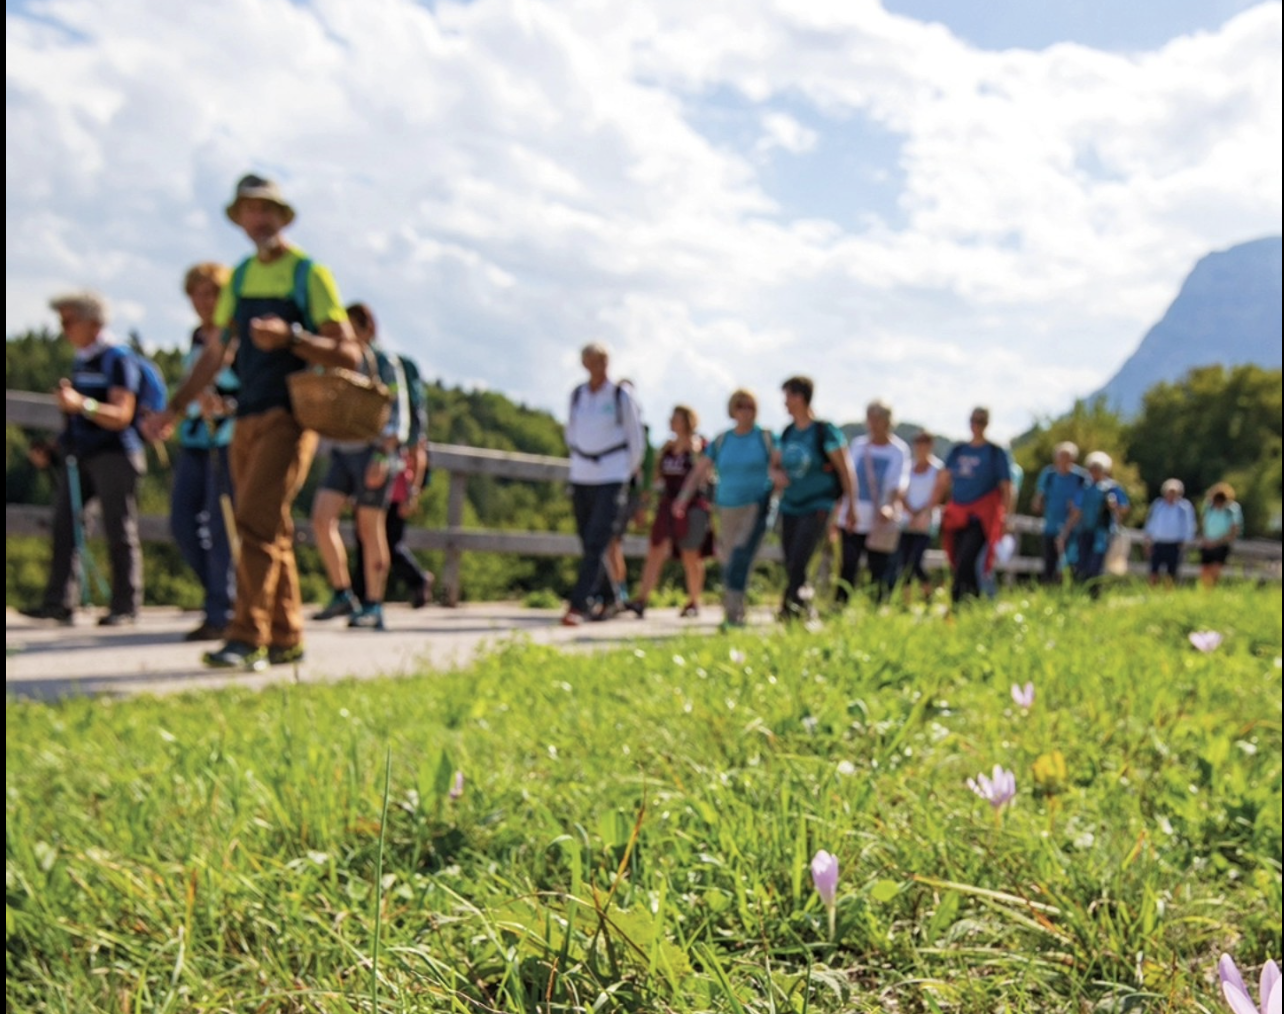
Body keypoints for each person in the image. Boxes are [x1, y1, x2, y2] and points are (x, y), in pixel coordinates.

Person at [144, 173, 360, 670]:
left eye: (266, 209)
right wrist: (174, 408)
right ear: (240, 218)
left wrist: (292, 337)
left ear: (281, 217)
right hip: (247, 416)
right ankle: (286, 637)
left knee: (253, 521)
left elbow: (347, 352)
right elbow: (215, 352)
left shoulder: (309, 274)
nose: (258, 218)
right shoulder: (239, 278)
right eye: (249, 210)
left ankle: (246, 635)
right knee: (271, 526)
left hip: (291, 414)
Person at [20, 291, 145, 626]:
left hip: (116, 454)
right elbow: (77, 416)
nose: (63, 329)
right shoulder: (84, 360)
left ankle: (125, 605)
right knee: (64, 525)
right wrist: (52, 447)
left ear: (93, 322)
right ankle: (59, 602)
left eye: (68, 321)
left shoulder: (116, 358)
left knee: (119, 529)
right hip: (82, 453)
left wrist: (82, 405)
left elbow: (121, 414)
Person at [310, 303, 408, 631]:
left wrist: (385, 453)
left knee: (370, 528)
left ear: (367, 329)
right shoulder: (339, 361)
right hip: (341, 450)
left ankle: (374, 604)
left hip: (374, 451)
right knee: (322, 519)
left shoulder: (385, 363)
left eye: (351, 330)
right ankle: (342, 593)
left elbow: (398, 411)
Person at [170, 263, 239, 641]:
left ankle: (222, 611)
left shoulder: (236, 337)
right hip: (195, 439)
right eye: (196, 294)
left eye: (211, 293)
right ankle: (221, 592)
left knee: (219, 523)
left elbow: (247, 389)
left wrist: (225, 404)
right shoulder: (197, 338)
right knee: (182, 523)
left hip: (228, 439)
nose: (203, 301)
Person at [673, 389, 774, 629]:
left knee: (741, 555)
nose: (745, 411)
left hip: (755, 505)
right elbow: (700, 471)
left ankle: (734, 614)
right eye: (740, 406)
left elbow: (779, 465)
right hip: (726, 508)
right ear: (732, 409)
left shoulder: (766, 438)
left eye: (750, 406)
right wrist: (683, 498)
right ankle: (732, 610)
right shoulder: (722, 440)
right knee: (728, 559)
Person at [562, 343, 645, 626]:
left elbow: (636, 440)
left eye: (600, 362)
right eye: (590, 362)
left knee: (598, 539)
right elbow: (570, 433)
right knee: (587, 539)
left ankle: (579, 603)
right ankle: (610, 597)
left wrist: (625, 470)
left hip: (612, 474)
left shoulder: (622, 395)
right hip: (582, 474)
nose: (595, 367)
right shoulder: (578, 395)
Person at [353, 351, 434, 608]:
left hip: (398, 483)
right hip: (384, 478)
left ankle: (417, 580)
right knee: (366, 538)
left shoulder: (408, 421)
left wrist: (413, 491)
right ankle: (363, 595)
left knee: (390, 542)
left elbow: (418, 452)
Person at [772, 376, 856, 621]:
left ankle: (790, 610)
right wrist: (777, 476)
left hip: (818, 503)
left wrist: (851, 505)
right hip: (790, 505)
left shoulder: (824, 431)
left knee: (800, 557)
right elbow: (774, 465)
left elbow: (845, 469)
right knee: (791, 561)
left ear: (800, 397)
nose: (784, 403)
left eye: (787, 397)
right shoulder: (788, 432)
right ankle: (803, 607)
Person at [627, 405, 713, 618]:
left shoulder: (699, 447)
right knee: (655, 549)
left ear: (687, 421)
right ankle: (642, 599)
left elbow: (706, 477)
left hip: (693, 505)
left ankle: (694, 600)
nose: (671, 422)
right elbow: (655, 477)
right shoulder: (667, 448)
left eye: (676, 418)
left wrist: (694, 456)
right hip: (667, 503)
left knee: (690, 553)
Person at [932, 407, 1011, 604]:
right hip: (957, 515)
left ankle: (960, 604)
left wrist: (1006, 518)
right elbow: (943, 480)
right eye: (974, 420)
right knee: (957, 560)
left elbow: (1007, 487)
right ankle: (969, 605)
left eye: (981, 421)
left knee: (969, 561)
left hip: (982, 517)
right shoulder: (958, 450)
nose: (977, 424)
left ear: (987, 423)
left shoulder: (995, 452)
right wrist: (930, 506)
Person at [835, 400, 909, 605]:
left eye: (878, 419)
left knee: (879, 568)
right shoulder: (859, 445)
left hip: (879, 520)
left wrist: (889, 505)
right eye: (871, 418)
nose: (873, 424)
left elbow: (899, 482)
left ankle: (877, 608)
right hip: (853, 515)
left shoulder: (898, 450)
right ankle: (840, 606)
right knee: (848, 564)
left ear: (888, 422)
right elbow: (847, 477)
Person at [1062, 450, 1131, 591]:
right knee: (1080, 564)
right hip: (1084, 530)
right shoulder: (1085, 488)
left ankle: (1094, 594)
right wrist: (1066, 530)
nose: (1093, 472)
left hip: (1102, 533)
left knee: (1095, 565)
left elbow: (1124, 508)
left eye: (1097, 469)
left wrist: (1114, 506)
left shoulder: (1112, 488)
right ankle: (1079, 592)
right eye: (1091, 469)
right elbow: (1077, 511)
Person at [895, 430, 943, 604]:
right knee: (904, 564)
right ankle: (906, 602)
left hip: (926, 522)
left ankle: (928, 596)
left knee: (916, 561)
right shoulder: (908, 467)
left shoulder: (938, 469)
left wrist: (921, 514)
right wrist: (910, 512)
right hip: (906, 520)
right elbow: (900, 491)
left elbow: (937, 494)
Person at [1031, 442, 1088, 584]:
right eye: (1060, 456)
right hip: (1050, 526)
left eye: (1067, 457)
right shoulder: (1049, 474)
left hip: (1074, 529)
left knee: (1068, 564)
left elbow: (1080, 506)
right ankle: (1048, 594)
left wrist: (1067, 528)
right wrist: (1039, 502)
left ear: (1073, 459)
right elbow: (1038, 500)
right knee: (1049, 562)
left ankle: (1067, 594)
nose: (1063, 460)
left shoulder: (1081, 478)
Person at [1143, 478, 1196, 587]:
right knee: (1154, 570)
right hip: (1158, 542)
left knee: (1172, 572)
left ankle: (1168, 595)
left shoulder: (1184, 507)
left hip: (1175, 544)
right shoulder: (1158, 505)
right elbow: (1151, 523)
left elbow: (1189, 525)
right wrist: (1148, 540)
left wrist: (1186, 541)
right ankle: (1152, 592)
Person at [1198, 482, 1243, 588]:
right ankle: (1205, 593)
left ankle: (1212, 593)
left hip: (1221, 544)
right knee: (1205, 570)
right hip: (1207, 543)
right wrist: (1205, 540)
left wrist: (1216, 543)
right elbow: (1203, 524)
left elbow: (1234, 531)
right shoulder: (1208, 507)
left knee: (1216, 571)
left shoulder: (1232, 509)